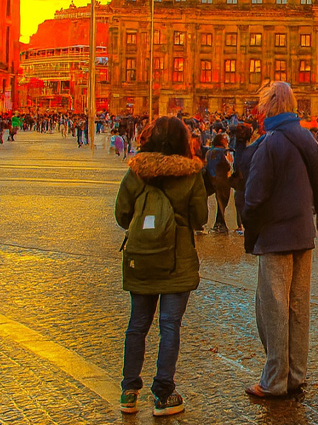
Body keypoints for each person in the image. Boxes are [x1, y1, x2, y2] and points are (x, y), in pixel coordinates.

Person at [242, 81, 318, 399]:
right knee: (298, 308)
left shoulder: (270, 143)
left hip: (276, 237)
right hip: (303, 235)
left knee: (274, 309)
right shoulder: (308, 139)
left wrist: (250, 229)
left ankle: (274, 380)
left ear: (267, 108)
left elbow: (253, 197)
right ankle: (296, 374)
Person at [114, 116, 208, 417]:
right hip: (177, 262)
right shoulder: (191, 175)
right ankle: (164, 395)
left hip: (141, 258)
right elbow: (200, 218)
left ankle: (129, 392)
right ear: (183, 141)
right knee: (169, 327)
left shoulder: (136, 172)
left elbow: (121, 214)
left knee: (137, 325)